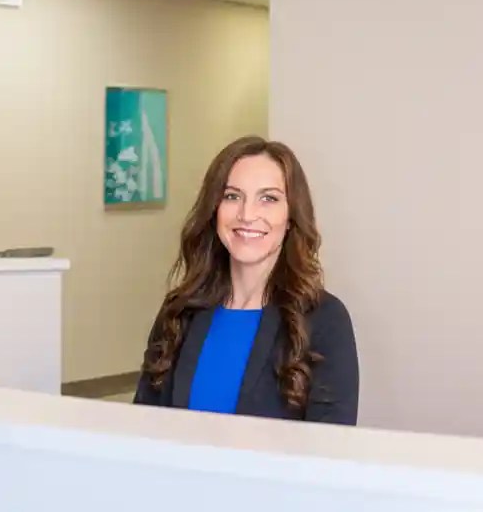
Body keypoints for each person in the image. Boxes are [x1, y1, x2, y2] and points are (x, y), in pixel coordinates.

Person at [133, 136, 359, 424]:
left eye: (268, 199)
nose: (247, 214)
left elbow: (331, 442)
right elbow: (144, 427)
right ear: (214, 209)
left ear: (291, 217)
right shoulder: (179, 312)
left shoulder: (325, 319)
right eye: (232, 196)